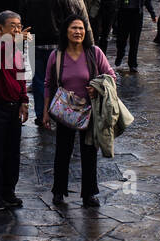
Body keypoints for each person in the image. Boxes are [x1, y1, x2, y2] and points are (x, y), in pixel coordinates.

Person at [43, 17, 115, 208]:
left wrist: (97, 88)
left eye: (81, 28)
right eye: (74, 28)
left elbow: (111, 76)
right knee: (62, 152)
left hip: (89, 111)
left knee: (89, 152)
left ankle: (89, 194)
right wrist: (45, 112)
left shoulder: (94, 53)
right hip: (65, 111)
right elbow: (48, 85)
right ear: (66, 31)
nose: (78, 32)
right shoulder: (56, 55)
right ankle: (58, 191)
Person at [0, 11, 29, 211]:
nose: (17, 30)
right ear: (0, 29)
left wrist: (24, 100)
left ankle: (9, 191)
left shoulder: (16, 50)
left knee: (13, 152)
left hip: (13, 107)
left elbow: (21, 75)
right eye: (13, 26)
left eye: (19, 26)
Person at [113, 0, 155, 73]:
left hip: (136, 14)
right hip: (123, 13)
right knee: (121, 39)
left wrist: (152, 13)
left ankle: (133, 63)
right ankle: (120, 54)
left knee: (134, 40)